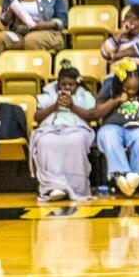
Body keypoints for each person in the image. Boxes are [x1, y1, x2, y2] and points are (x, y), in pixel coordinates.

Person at [31, 61, 96, 201]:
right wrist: (54, 106)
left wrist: (72, 106)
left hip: (77, 129)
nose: (67, 87)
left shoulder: (85, 95)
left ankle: (75, 187)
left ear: (77, 84)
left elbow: (91, 117)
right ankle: (53, 187)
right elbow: (37, 117)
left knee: (76, 141)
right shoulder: (47, 95)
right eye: (63, 84)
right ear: (58, 83)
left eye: (71, 84)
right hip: (50, 129)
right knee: (44, 142)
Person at [92, 60, 139, 197]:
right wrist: (115, 100)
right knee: (108, 136)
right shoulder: (110, 87)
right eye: (127, 88)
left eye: (135, 89)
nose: (131, 92)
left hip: (136, 127)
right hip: (112, 126)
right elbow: (96, 113)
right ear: (120, 83)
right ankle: (123, 174)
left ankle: (136, 176)